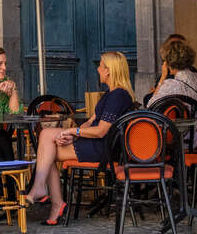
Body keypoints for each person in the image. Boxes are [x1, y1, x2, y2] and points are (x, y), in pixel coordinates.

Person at [25, 51, 135, 226]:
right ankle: (49, 197)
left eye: (100, 66)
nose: (98, 69)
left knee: (46, 143)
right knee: (48, 147)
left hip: (103, 149)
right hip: (95, 144)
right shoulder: (109, 94)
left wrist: (73, 133)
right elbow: (90, 123)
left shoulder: (118, 96)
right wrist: (70, 136)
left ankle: (47, 194)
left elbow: (101, 131)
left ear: (109, 71)